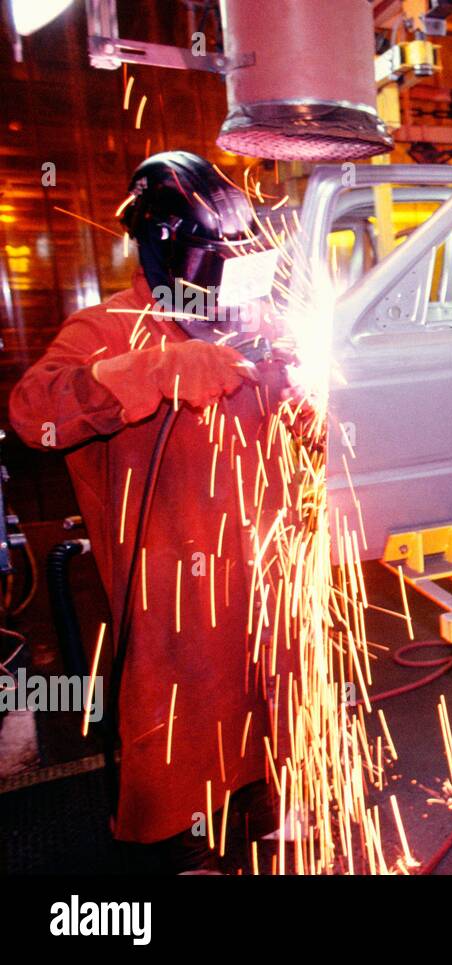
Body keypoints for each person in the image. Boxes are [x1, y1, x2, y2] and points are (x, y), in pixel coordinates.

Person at [9, 151, 286, 871]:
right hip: (173, 603)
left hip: (268, 584)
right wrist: (155, 370)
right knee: (179, 736)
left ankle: (268, 806)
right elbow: (31, 412)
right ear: (171, 248)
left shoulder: (247, 325)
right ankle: (182, 842)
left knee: (275, 716)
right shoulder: (108, 328)